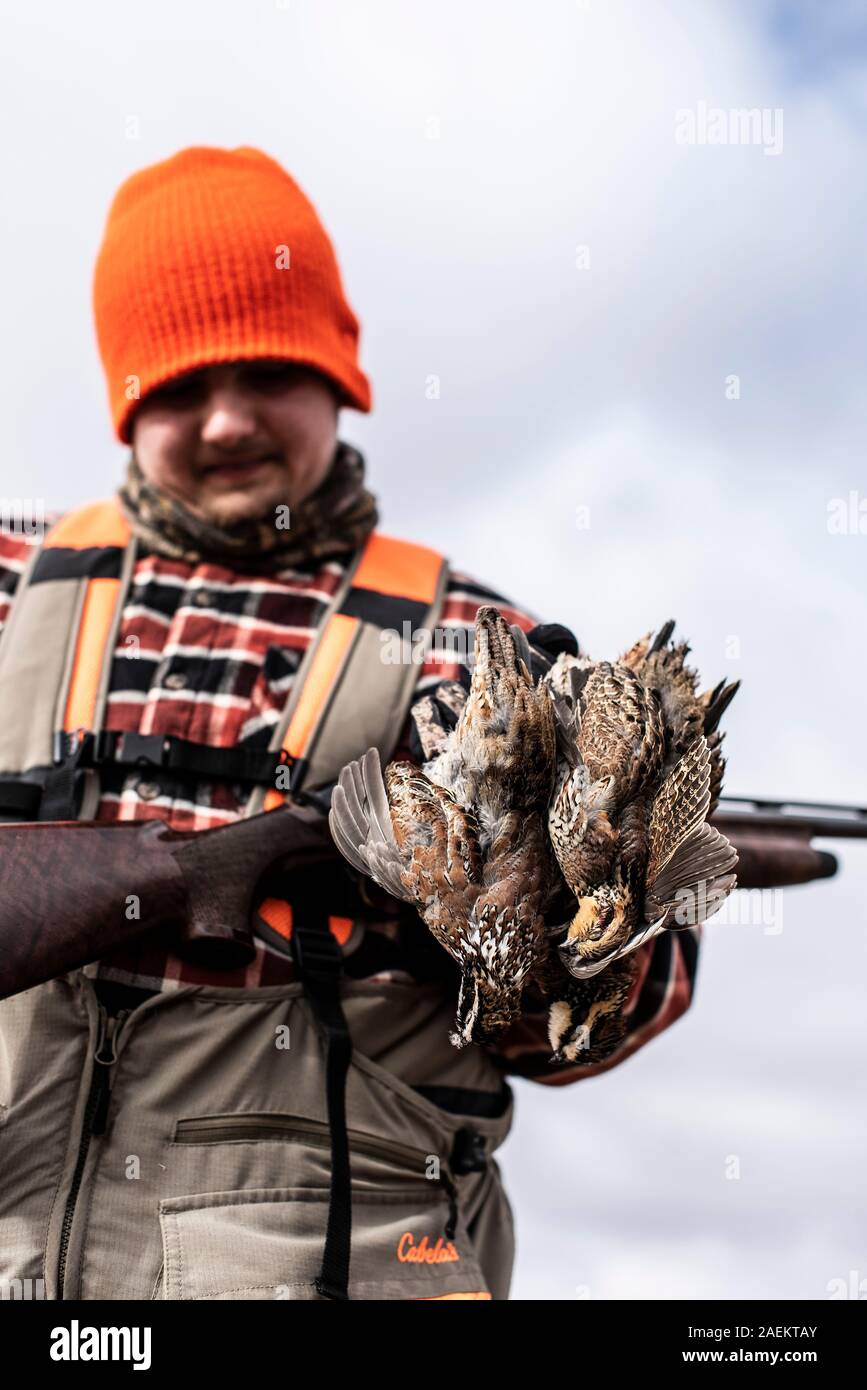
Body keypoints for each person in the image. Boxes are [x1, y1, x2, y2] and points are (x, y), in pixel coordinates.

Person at [0, 146, 699, 1301]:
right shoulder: (14, 581)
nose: (226, 421)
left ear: (338, 375)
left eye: (266, 370)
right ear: (126, 402)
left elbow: (615, 1014)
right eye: (178, 384)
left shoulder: (494, 649)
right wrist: (209, 872)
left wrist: (526, 918)